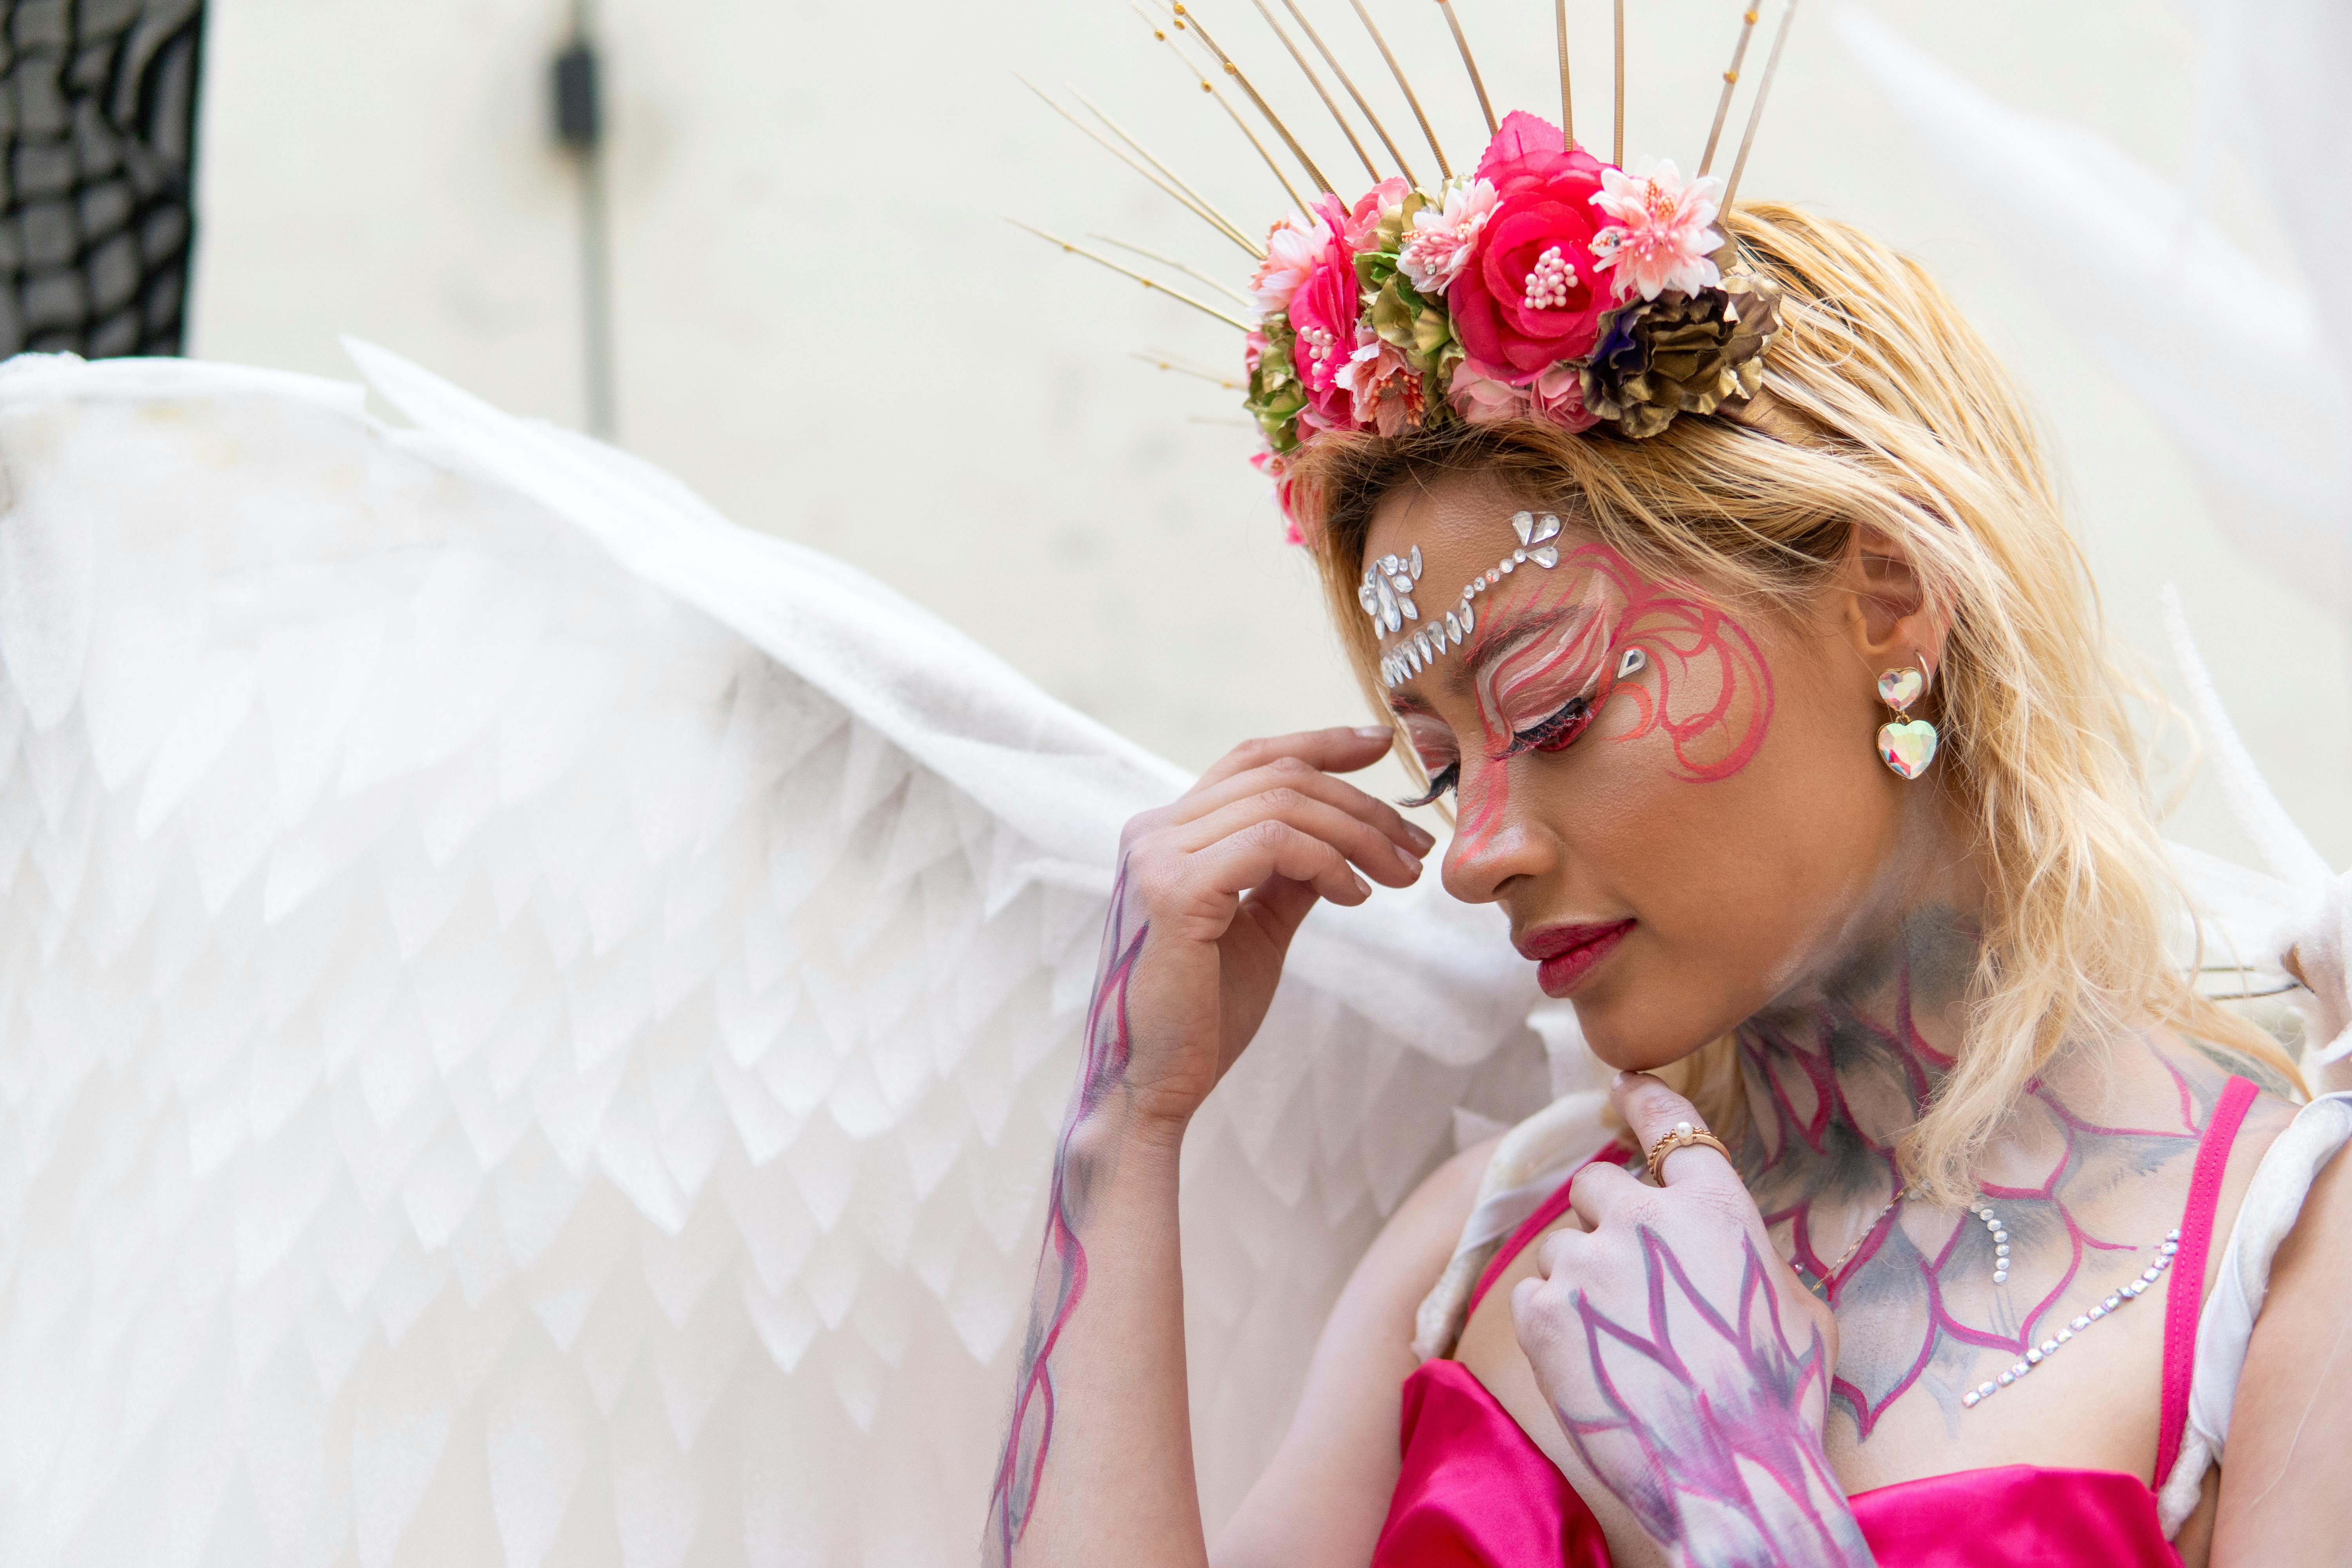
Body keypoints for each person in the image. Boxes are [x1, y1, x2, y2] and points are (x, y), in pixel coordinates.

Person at [984, 194, 2352, 1566]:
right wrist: (1128, 1124)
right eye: (1443, 768)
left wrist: (1742, 1493)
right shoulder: (1484, 1240)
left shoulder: (2293, 1258)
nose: (1475, 854)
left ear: (1886, 603)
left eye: (1559, 709)